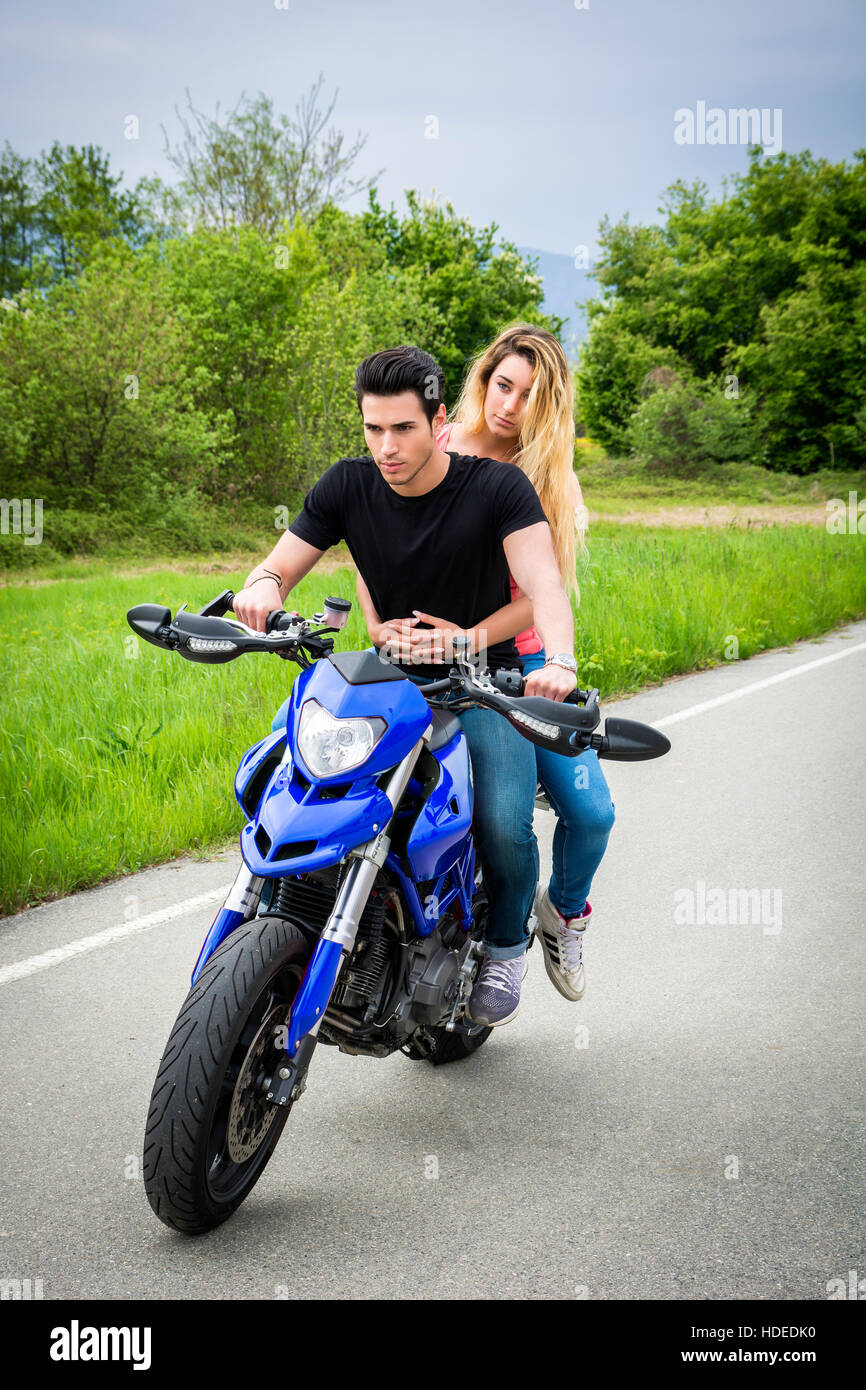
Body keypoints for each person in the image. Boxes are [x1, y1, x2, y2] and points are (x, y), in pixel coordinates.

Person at [233, 344, 578, 1027]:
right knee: (272, 774)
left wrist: (559, 660)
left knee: (506, 826)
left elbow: (544, 583)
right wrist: (262, 588)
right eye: (373, 429)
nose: (386, 447)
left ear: (439, 420)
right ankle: (283, 914)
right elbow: (277, 568)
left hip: (481, 683)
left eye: (403, 429)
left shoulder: (497, 488)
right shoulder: (347, 486)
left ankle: (506, 946)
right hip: (383, 681)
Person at [354, 325, 616, 1008]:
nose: (509, 404)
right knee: (469, 811)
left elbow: (539, 600)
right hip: (438, 659)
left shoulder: (553, 484)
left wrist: (477, 640)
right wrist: (381, 625)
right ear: (483, 380)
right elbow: (366, 538)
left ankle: (561, 916)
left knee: (590, 813)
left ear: (548, 407)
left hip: (520, 666)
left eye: (529, 395)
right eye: (503, 384)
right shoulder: (429, 445)